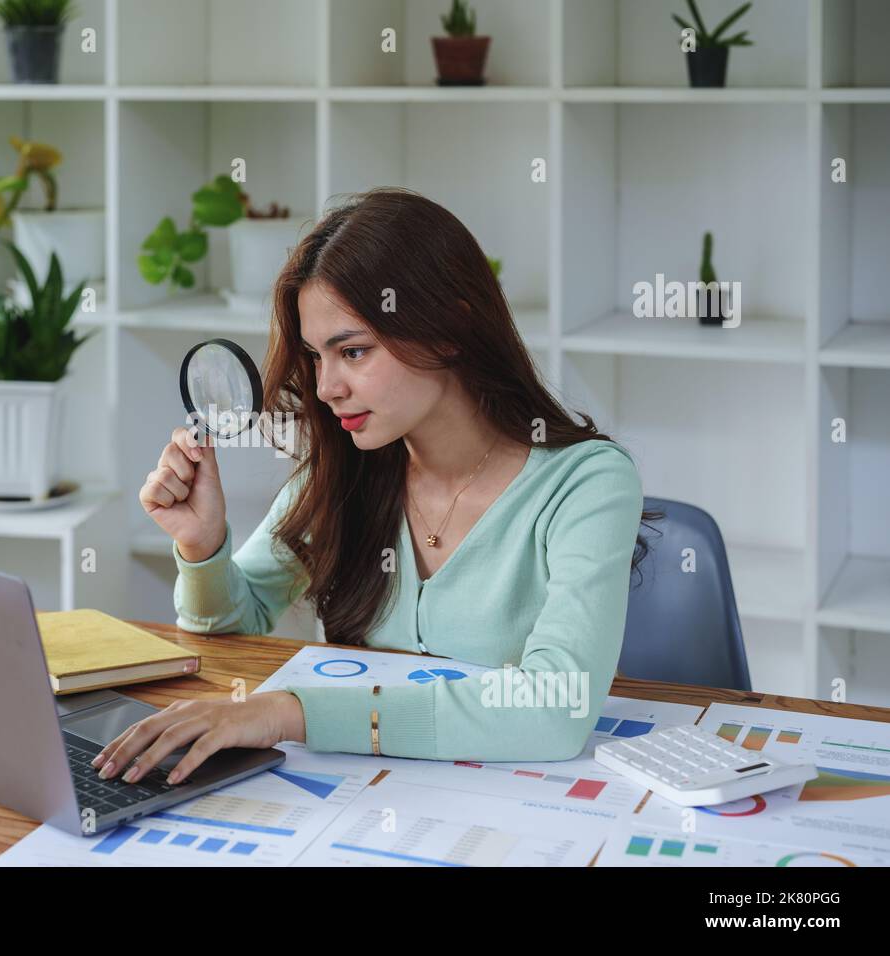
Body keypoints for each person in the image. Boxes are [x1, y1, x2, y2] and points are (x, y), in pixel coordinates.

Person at [94, 188, 654, 788]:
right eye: (316, 357)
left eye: (353, 351)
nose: (328, 386)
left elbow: (554, 710)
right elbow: (235, 628)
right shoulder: (344, 472)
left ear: (449, 329)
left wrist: (290, 713)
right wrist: (202, 549)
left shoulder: (588, 484)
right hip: (360, 811)